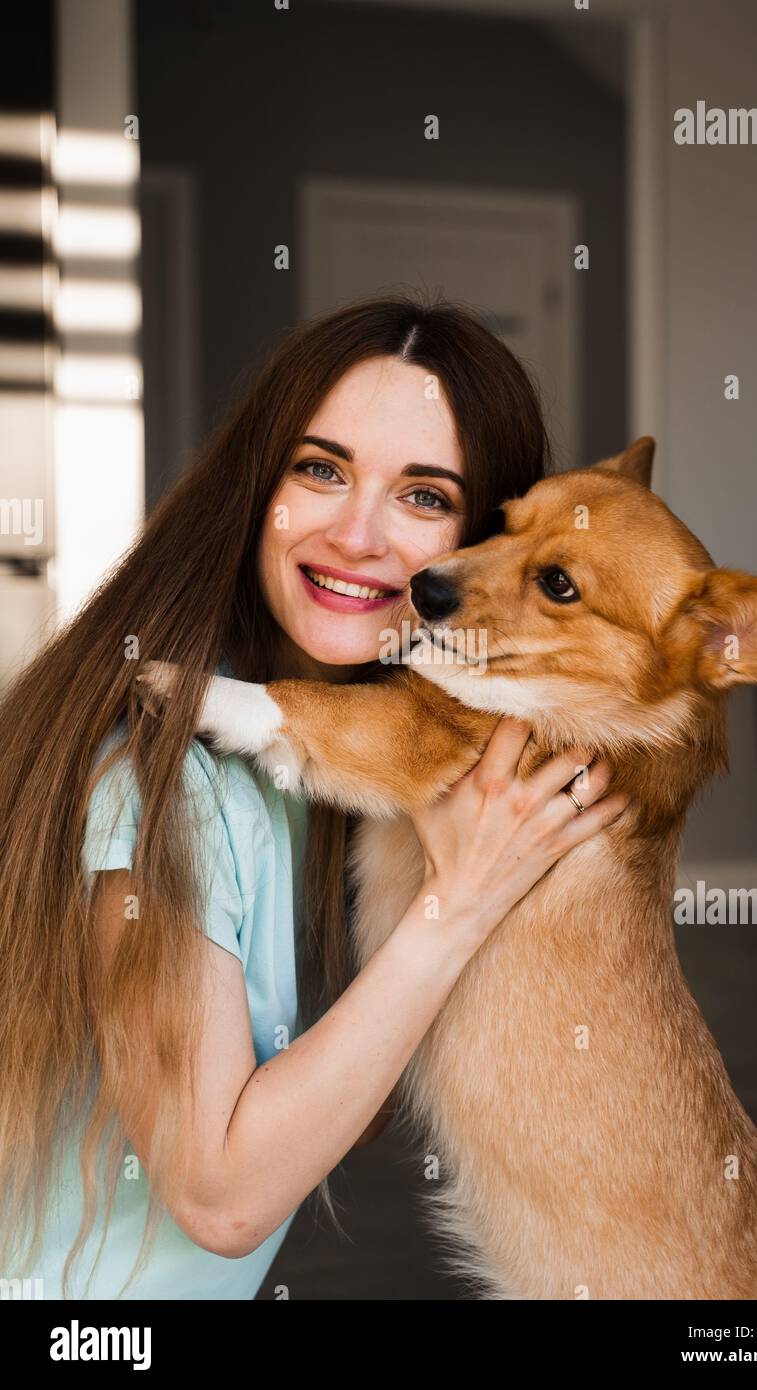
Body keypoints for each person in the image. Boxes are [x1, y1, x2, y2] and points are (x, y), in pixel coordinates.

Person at [0, 294, 629, 1300]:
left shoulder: (352, 779)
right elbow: (219, 1195)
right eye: (320, 469)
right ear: (259, 486)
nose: (357, 533)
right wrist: (453, 906)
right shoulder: (167, 780)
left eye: (424, 497)